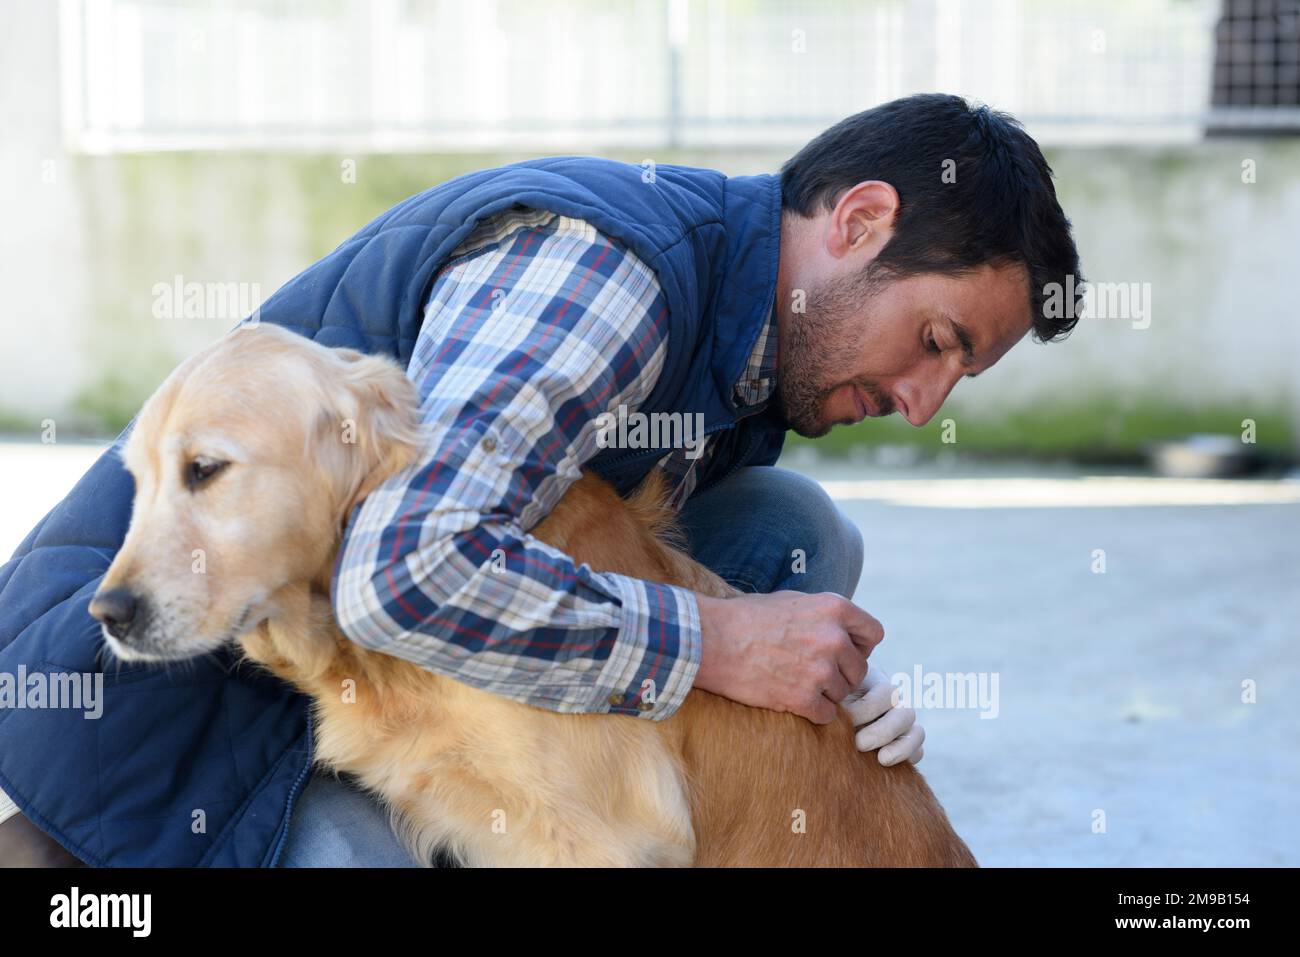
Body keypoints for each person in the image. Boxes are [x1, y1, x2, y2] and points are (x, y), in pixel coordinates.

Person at [0, 93, 1082, 867]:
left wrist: (827, 717)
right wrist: (716, 641)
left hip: (355, 666)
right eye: (936, 339)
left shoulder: (747, 356)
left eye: (960, 373)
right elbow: (402, 574)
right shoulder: (600, 271)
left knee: (788, 529)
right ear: (859, 222)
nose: (925, 401)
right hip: (164, 703)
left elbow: (600, 550)